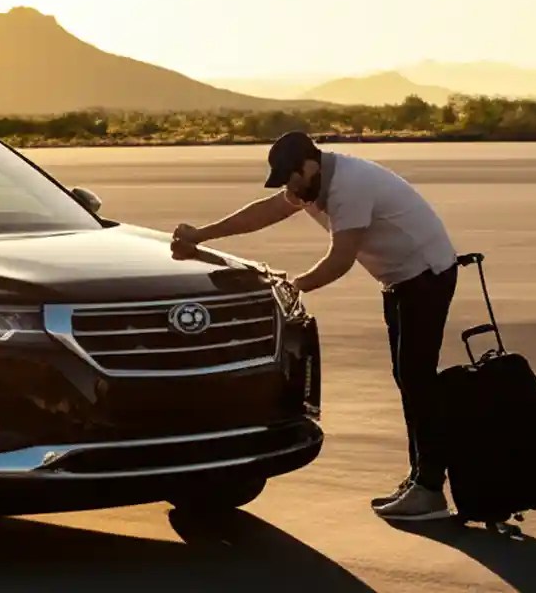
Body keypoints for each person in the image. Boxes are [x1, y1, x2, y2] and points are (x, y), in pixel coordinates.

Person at [171, 130, 458, 521]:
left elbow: (340, 260)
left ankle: (429, 490)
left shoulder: (349, 187)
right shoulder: (311, 185)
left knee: (416, 378)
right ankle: (421, 479)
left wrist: (290, 286)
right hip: (401, 280)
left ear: (310, 166)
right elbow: (263, 213)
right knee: (408, 377)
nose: (291, 190)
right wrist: (201, 235)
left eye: (292, 179)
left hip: (425, 276)